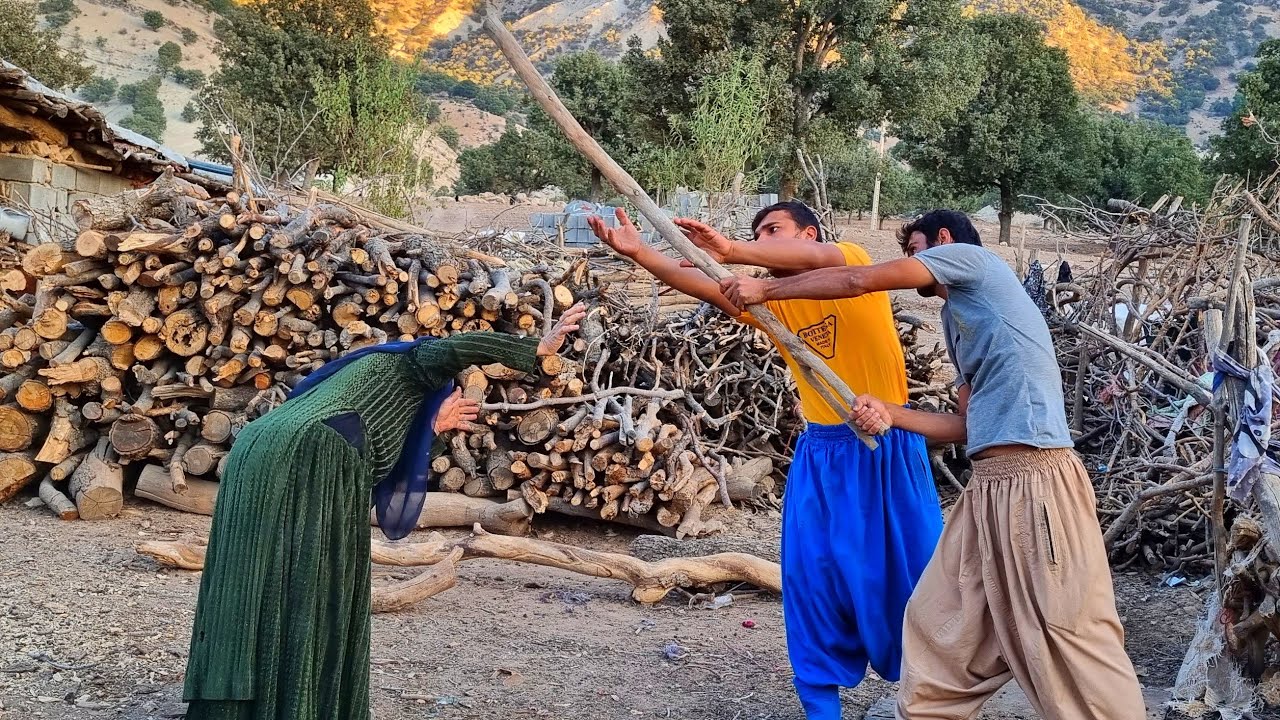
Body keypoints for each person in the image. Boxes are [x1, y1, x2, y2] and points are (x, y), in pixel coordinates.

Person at [719, 209, 1144, 720]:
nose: (908, 262)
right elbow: (964, 424)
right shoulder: (961, 319)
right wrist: (891, 413)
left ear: (941, 241)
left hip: (1037, 478)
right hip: (989, 486)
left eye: (914, 249)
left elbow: (858, 279)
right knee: (939, 625)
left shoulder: (974, 261)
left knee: (1068, 630)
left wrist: (763, 289)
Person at [588, 202, 942, 719]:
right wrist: (640, 251)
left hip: (888, 447)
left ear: (808, 234)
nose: (765, 240)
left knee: (911, 576)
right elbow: (703, 283)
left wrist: (733, 249)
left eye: (774, 231)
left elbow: (814, 259)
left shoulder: (850, 263)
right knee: (814, 580)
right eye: (757, 234)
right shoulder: (769, 303)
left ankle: (926, 697)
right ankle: (821, 707)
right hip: (823, 454)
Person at [183, 303, 587, 720]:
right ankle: (296, 704)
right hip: (315, 453)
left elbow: (388, 469)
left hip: (255, 448)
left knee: (246, 573)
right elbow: (452, 350)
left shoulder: (363, 382)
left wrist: (433, 428)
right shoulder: (414, 364)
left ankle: (226, 706)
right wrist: (535, 347)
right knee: (316, 578)